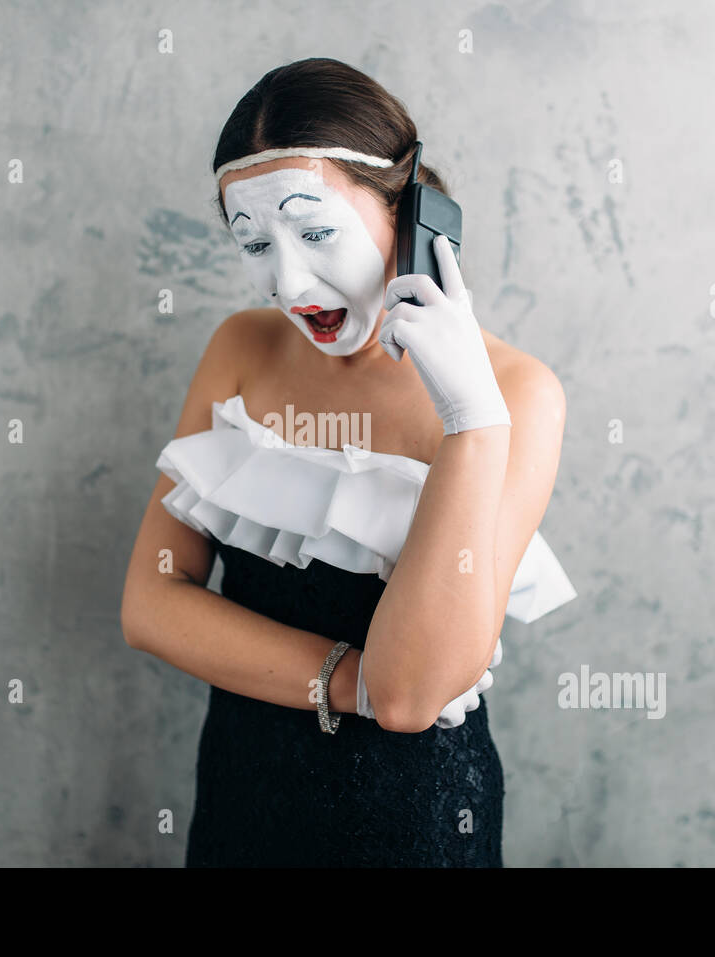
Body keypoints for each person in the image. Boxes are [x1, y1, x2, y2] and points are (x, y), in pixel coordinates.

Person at [120, 57, 576, 867]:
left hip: (412, 823)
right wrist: (344, 680)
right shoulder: (238, 347)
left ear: (410, 215)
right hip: (240, 795)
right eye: (254, 241)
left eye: (316, 230)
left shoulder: (519, 393)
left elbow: (407, 697)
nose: (288, 283)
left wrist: (472, 419)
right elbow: (152, 603)